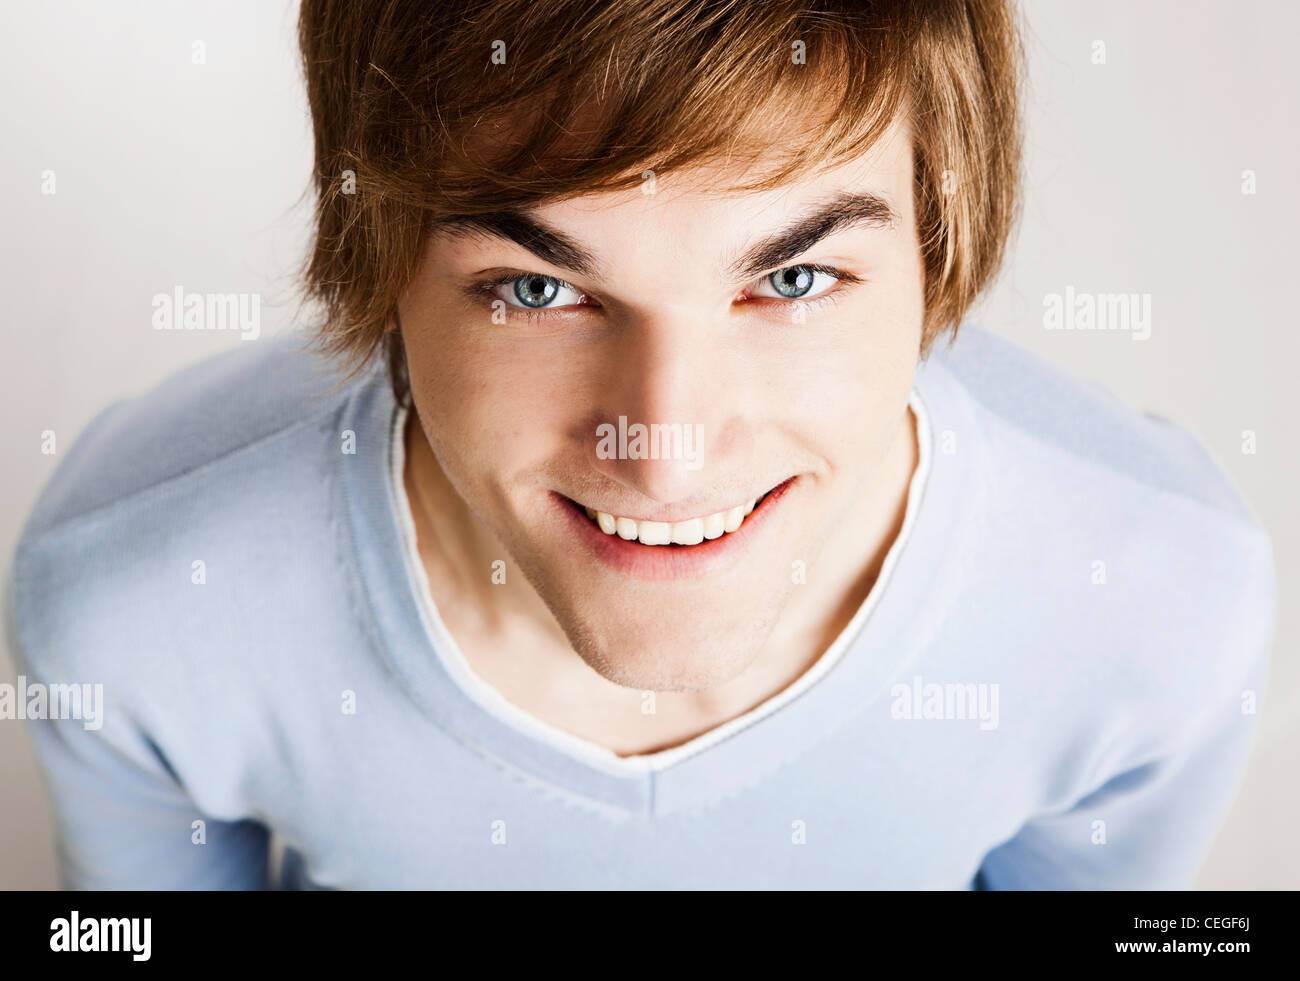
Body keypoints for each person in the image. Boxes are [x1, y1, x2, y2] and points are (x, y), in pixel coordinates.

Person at [5, 0, 1273, 889]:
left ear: (938, 254)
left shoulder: (1159, 603)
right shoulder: (134, 608)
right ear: (379, 272)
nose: (666, 454)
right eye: (538, 289)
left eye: (792, 279)